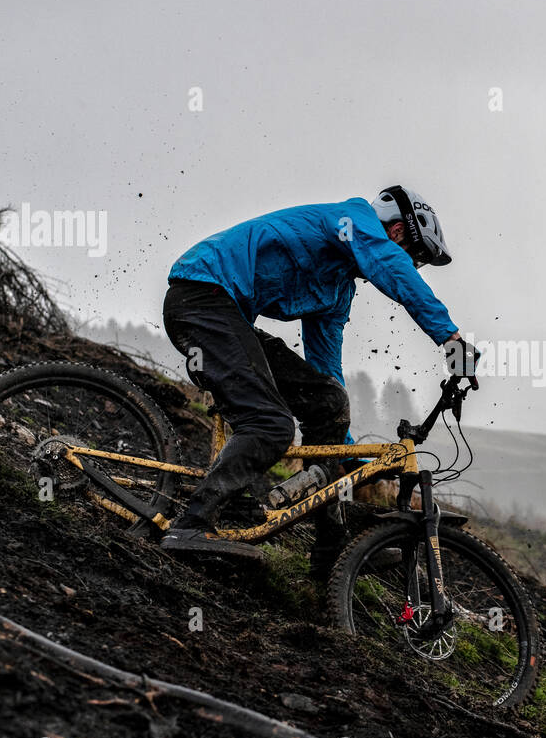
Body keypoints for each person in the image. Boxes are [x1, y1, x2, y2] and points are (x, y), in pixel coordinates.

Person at [160, 186, 467, 566]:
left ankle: (331, 551)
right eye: (415, 258)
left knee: (327, 401)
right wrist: (451, 339)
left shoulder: (337, 290)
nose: (413, 267)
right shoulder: (349, 221)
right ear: (398, 232)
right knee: (270, 424)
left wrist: (346, 453)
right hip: (200, 299)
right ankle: (190, 524)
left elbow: (325, 372)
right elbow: (390, 266)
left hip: (226, 316)